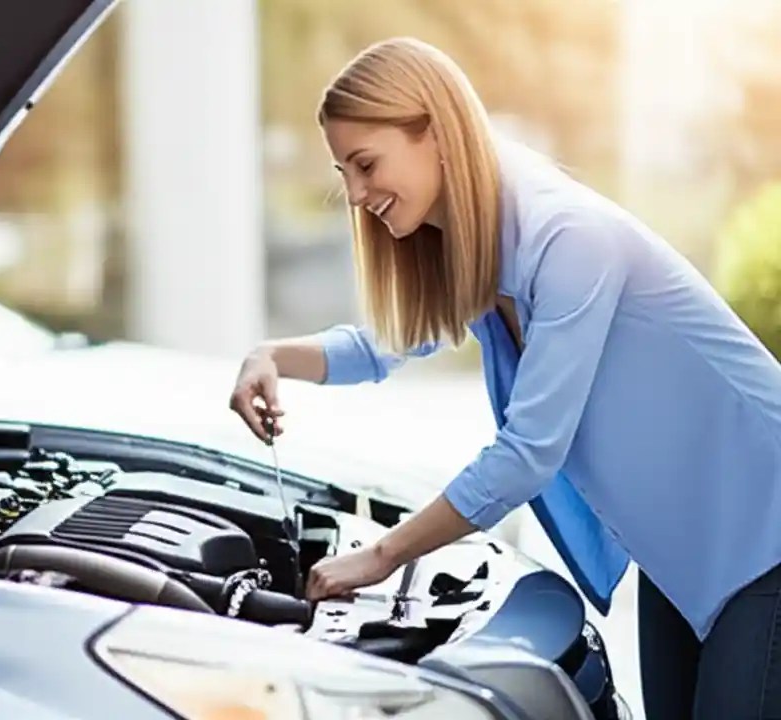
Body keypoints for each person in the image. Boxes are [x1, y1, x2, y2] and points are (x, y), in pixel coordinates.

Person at [229, 37, 781, 719]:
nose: (354, 194)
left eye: (366, 165)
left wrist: (379, 557)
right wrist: (273, 356)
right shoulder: (483, 245)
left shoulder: (566, 237)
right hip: (685, 552)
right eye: (344, 171)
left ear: (433, 130)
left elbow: (528, 453)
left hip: (766, 531)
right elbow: (386, 347)